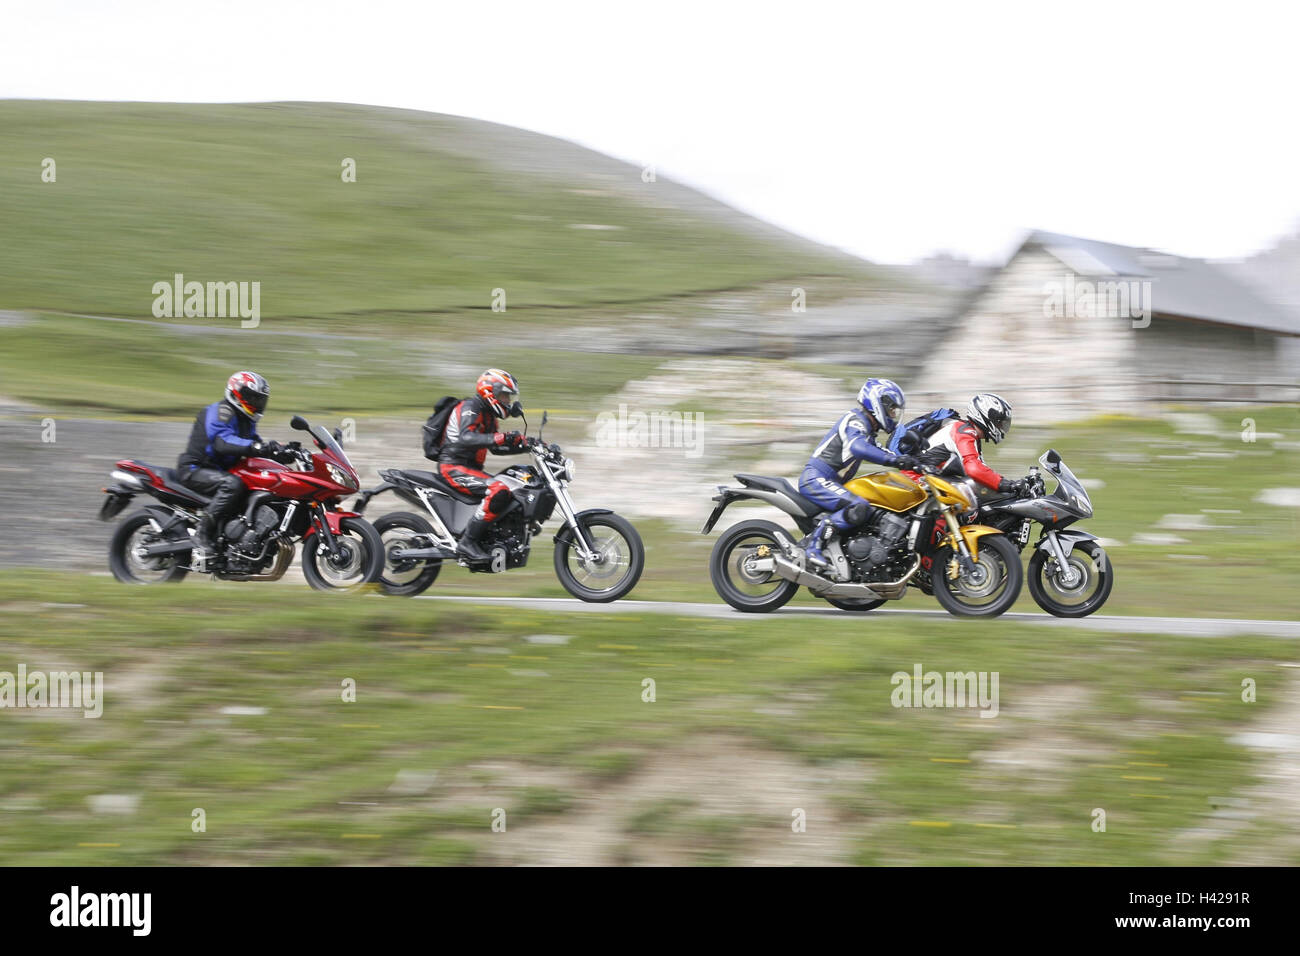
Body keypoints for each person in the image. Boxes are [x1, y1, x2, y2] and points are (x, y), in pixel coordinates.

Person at [798, 378, 920, 570]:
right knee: (858, 506)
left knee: (870, 508)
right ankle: (813, 548)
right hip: (816, 478)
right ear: (877, 403)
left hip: (832, 481)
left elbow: (883, 452)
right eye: (891, 409)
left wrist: (916, 462)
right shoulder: (855, 421)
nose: (893, 415)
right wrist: (895, 461)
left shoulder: (867, 431)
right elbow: (858, 447)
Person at [177, 371, 288, 563]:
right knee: (233, 485)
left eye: (259, 399)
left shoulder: (246, 420)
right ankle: (202, 534)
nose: (255, 402)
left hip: (220, 471)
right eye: (251, 397)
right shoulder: (222, 411)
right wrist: (257, 447)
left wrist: (282, 452)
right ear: (236, 393)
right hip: (195, 470)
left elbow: (255, 444)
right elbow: (223, 442)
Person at [436, 368, 532, 562]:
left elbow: (496, 448)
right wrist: (501, 437)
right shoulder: (471, 407)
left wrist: (527, 445)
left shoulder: (488, 416)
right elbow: (466, 437)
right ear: (491, 392)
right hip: (453, 467)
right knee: (499, 489)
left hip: (470, 469)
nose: (508, 401)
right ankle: (468, 542)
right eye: (505, 395)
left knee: (513, 488)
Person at [925, 393, 1029, 495]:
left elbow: (983, 471)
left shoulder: (972, 435)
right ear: (985, 416)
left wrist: (1010, 484)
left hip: (931, 482)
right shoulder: (963, 431)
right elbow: (974, 469)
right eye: (999, 422)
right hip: (920, 481)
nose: (1001, 426)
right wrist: (1008, 485)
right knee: (970, 502)